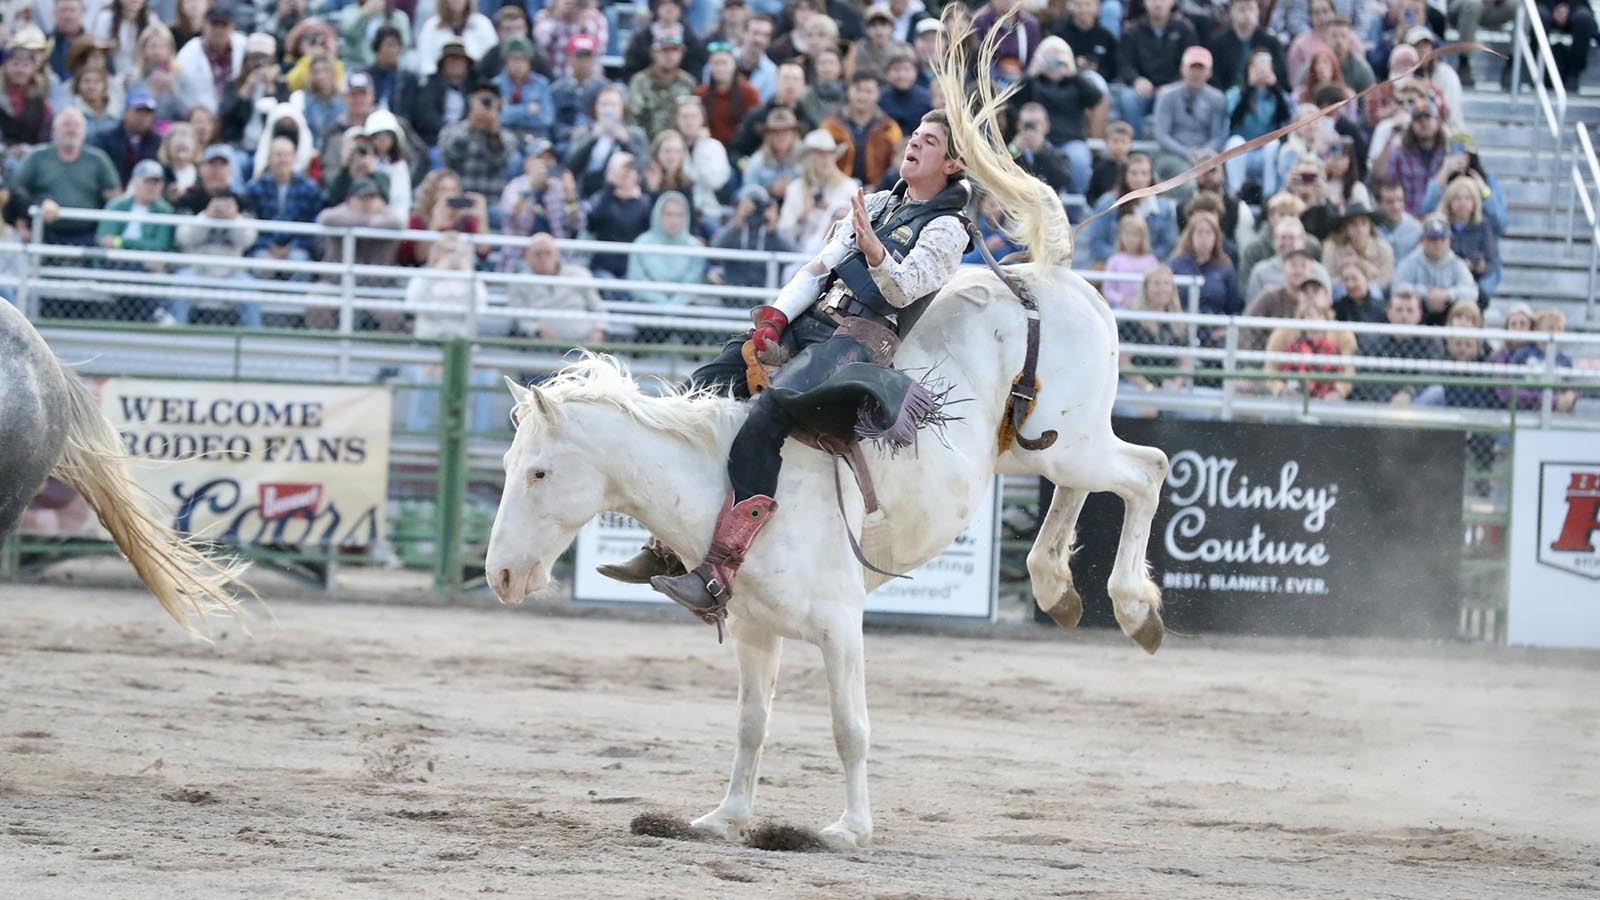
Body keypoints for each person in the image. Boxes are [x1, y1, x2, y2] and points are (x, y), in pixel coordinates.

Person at [609, 107, 980, 629]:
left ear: (953, 163)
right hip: (813, 323)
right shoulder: (876, 203)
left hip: (862, 341)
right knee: (701, 385)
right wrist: (777, 317)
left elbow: (903, 288)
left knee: (769, 414)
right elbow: (818, 269)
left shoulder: (948, 229)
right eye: (914, 136)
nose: (913, 145)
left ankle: (717, 573)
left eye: (929, 141)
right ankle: (667, 544)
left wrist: (874, 251)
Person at [13, 108, 121, 246]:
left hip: (89, 234)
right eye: (66, 125)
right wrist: (23, 225)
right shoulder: (36, 157)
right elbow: (16, 192)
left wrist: (111, 232)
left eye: (76, 125)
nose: (71, 130)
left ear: (84, 131)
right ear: (54, 129)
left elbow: (114, 198)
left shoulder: (98, 160)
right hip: (44, 232)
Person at [1010, 36, 1100, 194]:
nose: (1054, 65)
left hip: (1070, 139)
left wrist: (1073, 74)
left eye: (1059, 60)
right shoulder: (1034, 81)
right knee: (1018, 154)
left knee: (1078, 159)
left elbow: (1095, 98)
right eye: (1049, 59)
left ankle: (1075, 203)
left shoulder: (1075, 82)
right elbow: (1013, 99)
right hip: (1037, 137)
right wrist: (1031, 73)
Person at [312, 178, 404, 329]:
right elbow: (326, 218)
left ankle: (382, 351)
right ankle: (324, 348)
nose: (367, 203)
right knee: (316, 303)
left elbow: (397, 223)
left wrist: (362, 222)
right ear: (349, 200)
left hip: (378, 288)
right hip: (336, 284)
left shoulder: (388, 214)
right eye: (362, 199)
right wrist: (369, 221)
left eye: (372, 198)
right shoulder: (341, 212)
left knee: (392, 313)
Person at [97, 159, 177, 324]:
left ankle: (125, 320)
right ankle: (154, 312)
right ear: (134, 182)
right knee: (133, 269)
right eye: (147, 181)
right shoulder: (116, 205)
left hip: (145, 266)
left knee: (140, 270)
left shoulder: (165, 211)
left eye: (156, 183)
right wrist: (136, 247)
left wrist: (120, 242)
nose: (151, 187)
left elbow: (160, 245)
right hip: (119, 264)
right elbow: (104, 239)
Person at [1113, 0, 1200, 139]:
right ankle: (1136, 145)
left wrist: (1173, 85)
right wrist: (1136, 80)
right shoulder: (1132, 31)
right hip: (1143, 91)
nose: (1158, 3)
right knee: (1127, 98)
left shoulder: (1185, 30)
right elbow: (1124, 64)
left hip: (1175, 90)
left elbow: (1191, 63)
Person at [171, 189, 257, 326]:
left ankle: (255, 340)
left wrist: (233, 219)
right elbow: (184, 238)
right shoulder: (201, 217)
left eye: (226, 205)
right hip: (198, 271)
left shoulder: (239, 220)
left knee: (250, 289)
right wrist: (207, 216)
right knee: (180, 284)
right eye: (217, 205)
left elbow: (247, 241)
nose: (221, 209)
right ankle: (174, 335)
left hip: (231, 273)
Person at [504, 232, 607, 344]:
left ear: (557, 254)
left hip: (584, 345)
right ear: (527, 257)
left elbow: (598, 309)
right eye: (538, 254)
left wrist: (599, 330)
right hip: (539, 346)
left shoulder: (580, 274)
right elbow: (519, 318)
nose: (543, 258)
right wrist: (536, 330)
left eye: (548, 253)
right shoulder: (519, 282)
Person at [244, 136, 322, 274]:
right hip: (264, 247)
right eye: (278, 155)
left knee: (299, 263)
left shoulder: (309, 188)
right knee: (262, 265)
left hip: (297, 247)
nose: (283, 159)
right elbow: (251, 222)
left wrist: (291, 248)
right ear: (269, 158)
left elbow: (311, 222)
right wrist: (269, 246)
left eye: (287, 155)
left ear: (294, 158)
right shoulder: (255, 188)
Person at [1263, 285, 1356, 400]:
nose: (1310, 296)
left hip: (1329, 395)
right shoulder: (1284, 332)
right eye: (1308, 316)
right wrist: (1281, 389)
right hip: (1292, 393)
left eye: (1315, 291)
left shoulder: (1343, 334)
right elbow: (1270, 369)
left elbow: (1349, 371)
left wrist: (1338, 391)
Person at [1352, 286, 1441, 404]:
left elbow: (1431, 374)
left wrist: (1408, 392)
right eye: (1399, 310)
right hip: (1380, 402)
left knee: (1436, 391)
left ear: (1419, 314)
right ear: (1389, 312)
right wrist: (1391, 400)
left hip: (1415, 399)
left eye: (1410, 310)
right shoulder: (1371, 340)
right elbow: (1367, 376)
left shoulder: (1431, 341)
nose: (1404, 316)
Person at [1151, 45, 1227, 182]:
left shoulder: (1217, 98)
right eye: (1192, 68)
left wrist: (1204, 154)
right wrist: (1186, 153)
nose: (1196, 73)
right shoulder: (1166, 95)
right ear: (1182, 69)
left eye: (1201, 69)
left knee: (1216, 178)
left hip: (1207, 156)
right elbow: (1161, 135)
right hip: (1172, 154)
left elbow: (1218, 135)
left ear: (1209, 72)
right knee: (1189, 181)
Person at [1086, 152, 1178, 263]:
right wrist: (1121, 260)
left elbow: (1168, 245)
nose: (1139, 179)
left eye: (1144, 174)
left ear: (1151, 177)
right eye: (1134, 173)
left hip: (1151, 270)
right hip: (1113, 267)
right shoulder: (1107, 204)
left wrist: (1144, 261)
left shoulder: (1164, 208)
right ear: (1125, 175)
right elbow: (1096, 243)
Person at [1118, 264, 1191, 397]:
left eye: (1167, 284)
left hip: (1169, 386)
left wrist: (1174, 388)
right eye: (1156, 284)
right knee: (1148, 411)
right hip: (1134, 386)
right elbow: (1123, 363)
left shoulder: (1178, 323)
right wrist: (1149, 388)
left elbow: (1185, 363)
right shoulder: (1132, 320)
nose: (1162, 288)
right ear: (1146, 288)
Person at [440, 83, 517, 208]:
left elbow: (498, 161)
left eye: (489, 101)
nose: (485, 105)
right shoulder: (452, 130)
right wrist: (471, 127)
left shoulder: (506, 136)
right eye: (481, 101)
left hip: (492, 201)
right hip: (459, 200)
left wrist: (493, 133)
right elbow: (451, 157)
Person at [821, 71, 903, 189]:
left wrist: (877, 187)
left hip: (878, 191)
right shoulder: (831, 125)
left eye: (869, 91)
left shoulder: (889, 128)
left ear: (878, 94)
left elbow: (896, 163)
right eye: (858, 90)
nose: (863, 96)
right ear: (848, 91)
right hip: (836, 187)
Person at [565, 84, 649, 197]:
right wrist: (592, 139)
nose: (608, 110)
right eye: (604, 105)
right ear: (595, 108)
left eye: (613, 105)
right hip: (588, 190)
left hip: (624, 192)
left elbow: (644, 164)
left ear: (622, 108)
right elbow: (571, 165)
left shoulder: (636, 134)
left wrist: (626, 142)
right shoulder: (583, 133)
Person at [1394, 214, 1479, 325]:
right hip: (1419, 314)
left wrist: (1447, 294)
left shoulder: (1457, 264)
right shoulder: (1410, 261)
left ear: (1449, 240)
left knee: (1468, 305)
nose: (1438, 243)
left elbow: (1472, 292)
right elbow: (1397, 288)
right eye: (1433, 239)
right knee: (1406, 305)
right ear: (1422, 240)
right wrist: (1425, 293)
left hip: (1447, 313)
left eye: (1442, 238)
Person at [706, 184, 795, 290]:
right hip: (734, 296)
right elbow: (714, 253)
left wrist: (774, 229)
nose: (755, 209)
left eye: (760, 205)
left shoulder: (773, 233)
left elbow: (792, 255)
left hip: (766, 298)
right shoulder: (733, 230)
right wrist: (736, 224)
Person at [625, 191, 706, 306]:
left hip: (684, 310)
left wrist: (673, 307)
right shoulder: (641, 243)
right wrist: (663, 305)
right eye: (669, 214)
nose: (674, 220)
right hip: (648, 309)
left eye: (679, 215)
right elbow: (638, 282)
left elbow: (693, 284)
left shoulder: (695, 247)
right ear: (658, 214)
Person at [584, 153, 654, 278]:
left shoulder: (645, 203)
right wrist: (610, 187)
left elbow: (652, 229)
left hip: (633, 267)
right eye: (622, 168)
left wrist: (653, 189)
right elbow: (593, 223)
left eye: (631, 168)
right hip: (603, 267)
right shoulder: (600, 199)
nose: (626, 173)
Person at [406, 233, 486, 339]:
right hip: (428, 336)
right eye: (448, 251)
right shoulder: (422, 277)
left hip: (461, 340)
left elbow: (481, 311)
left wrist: (468, 275)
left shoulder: (473, 279)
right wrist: (435, 274)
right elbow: (411, 307)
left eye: (457, 251)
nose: (452, 256)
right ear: (436, 252)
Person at [500, 141, 583, 239]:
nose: (544, 163)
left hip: (555, 250)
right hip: (521, 250)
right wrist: (530, 188)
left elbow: (576, 225)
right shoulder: (514, 186)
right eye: (540, 158)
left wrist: (570, 199)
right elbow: (512, 219)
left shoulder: (560, 188)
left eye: (549, 158)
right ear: (527, 163)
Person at [672, 97, 732, 230]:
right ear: (677, 120)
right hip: (677, 212)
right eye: (684, 117)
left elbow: (715, 181)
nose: (689, 121)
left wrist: (701, 148)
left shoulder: (713, 147)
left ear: (702, 120)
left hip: (709, 212)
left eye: (693, 116)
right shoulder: (672, 146)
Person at [174, 3, 245, 116]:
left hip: (236, 116)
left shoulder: (243, 46)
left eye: (224, 25)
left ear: (232, 27)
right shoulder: (188, 53)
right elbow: (180, 91)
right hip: (199, 117)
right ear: (204, 25)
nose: (219, 29)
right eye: (214, 24)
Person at [1168, 208, 1241, 315]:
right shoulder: (1175, 265)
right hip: (1180, 327)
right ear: (1190, 237)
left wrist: (1224, 330)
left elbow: (1234, 307)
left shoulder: (1225, 268)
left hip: (1215, 327)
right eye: (1199, 233)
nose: (1204, 238)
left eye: (1208, 233)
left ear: (1216, 238)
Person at [1439, 175, 1500, 302]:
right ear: (1449, 202)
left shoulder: (1483, 226)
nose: (1463, 203)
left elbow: (1491, 260)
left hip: (1474, 282)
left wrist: (1481, 267)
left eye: (1467, 198)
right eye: (1457, 198)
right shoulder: (1441, 225)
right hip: (1444, 282)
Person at [628, 31, 697, 140]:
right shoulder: (640, 81)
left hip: (678, 146)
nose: (669, 55)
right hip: (647, 144)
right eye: (664, 50)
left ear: (681, 54)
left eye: (674, 50)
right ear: (654, 53)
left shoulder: (688, 82)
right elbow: (633, 119)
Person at [1383, 98, 1446, 217]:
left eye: (1428, 118)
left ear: (1437, 122)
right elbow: (1389, 185)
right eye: (1418, 120)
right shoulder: (1399, 154)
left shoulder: (1448, 153)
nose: (1423, 123)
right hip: (1410, 217)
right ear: (1411, 125)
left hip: (1441, 218)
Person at [1207, 0, 1288, 90]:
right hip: (1226, 94)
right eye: (1242, 10)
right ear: (1231, 12)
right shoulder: (1217, 42)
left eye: (1251, 9)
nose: (1247, 14)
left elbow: (1280, 75)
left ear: (1258, 12)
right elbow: (1213, 76)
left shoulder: (1270, 42)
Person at [1246, 215, 1332, 300]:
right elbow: (1251, 308)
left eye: (1292, 238)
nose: (1287, 242)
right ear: (1274, 241)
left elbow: (1326, 307)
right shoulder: (1260, 272)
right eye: (1282, 238)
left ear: (1302, 241)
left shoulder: (1319, 272)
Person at [696, 41, 761, 147]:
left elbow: (755, 124)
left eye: (724, 63)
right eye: (716, 63)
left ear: (734, 65)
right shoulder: (700, 94)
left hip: (740, 148)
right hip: (710, 148)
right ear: (710, 67)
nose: (720, 68)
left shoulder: (749, 92)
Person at [550, 34, 610, 144]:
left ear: (593, 60)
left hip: (595, 138)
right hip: (564, 140)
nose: (583, 62)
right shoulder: (557, 90)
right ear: (569, 59)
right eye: (578, 57)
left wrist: (590, 131)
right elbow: (552, 120)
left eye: (587, 57)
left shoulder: (604, 88)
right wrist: (569, 132)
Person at [1006, 101, 1075, 196]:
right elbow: (999, 171)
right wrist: (1013, 150)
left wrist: (1041, 151)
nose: (1031, 129)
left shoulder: (1058, 155)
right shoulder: (1010, 150)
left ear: (1047, 126)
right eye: (1027, 124)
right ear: (1018, 125)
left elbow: (1063, 179)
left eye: (1036, 124)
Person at [1321, 202, 1392, 291]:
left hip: (1373, 296)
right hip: (1343, 294)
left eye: (1364, 223)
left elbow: (1385, 280)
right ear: (1345, 228)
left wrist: (1360, 268)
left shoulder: (1384, 248)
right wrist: (1349, 279)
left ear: (1370, 227)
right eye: (1354, 224)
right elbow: (1326, 280)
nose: (1360, 230)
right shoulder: (1331, 248)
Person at [415, 0, 496, 77]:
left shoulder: (482, 24)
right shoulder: (432, 25)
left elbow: (492, 58)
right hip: (440, 82)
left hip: (475, 82)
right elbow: (426, 62)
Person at [533, 0, 609, 81]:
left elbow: (599, 51)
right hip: (553, 78)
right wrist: (556, 16)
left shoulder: (596, 18)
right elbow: (542, 44)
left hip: (588, 81)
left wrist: (583, 23)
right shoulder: (544, 16)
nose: (570, 3)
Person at [741, 106, 803, 201]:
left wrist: (793, 188)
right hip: (765, 209)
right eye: (775, 131)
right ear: (768, 135)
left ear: (794, 134)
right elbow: (746, 193)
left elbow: (815, 187)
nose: (781, 136)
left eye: (785, 131)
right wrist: (769, 191)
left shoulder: (805, 158)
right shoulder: (756, 161)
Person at [1102, 215, 1159, 307]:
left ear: (1143, 237)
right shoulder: (1114, 260)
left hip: (1146, 306)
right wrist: (1123, 300)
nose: (1130, 239)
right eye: (1127, 234)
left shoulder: (1151, 260)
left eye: (1135, 234)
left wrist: (1141, 301)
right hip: (1120, 307)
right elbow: (1108, 290)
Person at [878, 49, 933, 136]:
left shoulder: (927, 99)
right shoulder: (878, 98)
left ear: (916, 72)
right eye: (896, 70)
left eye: (907, 70)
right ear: (887, 73)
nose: (902, 75)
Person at [1373, 175, 1421, 263]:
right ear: (1377, 204)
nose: (1396, 207)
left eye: (1400, 200)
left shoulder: (1416, 229)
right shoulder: (1370, 229)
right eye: (1389, 202)